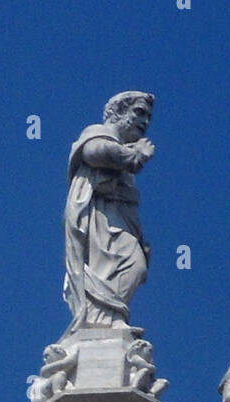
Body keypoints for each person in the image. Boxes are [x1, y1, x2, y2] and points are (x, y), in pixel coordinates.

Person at [63, 92, 155, 332]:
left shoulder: (119, 153)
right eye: (139, 112)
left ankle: (107, 319)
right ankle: (103, 319)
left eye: (148, 117)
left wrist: (141, 238)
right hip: (100, 218)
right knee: (133, 266)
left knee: (135, 265)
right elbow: (93, 151)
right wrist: (133, 156)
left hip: (117, 220)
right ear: (119, 112)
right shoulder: (98, 132)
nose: (144, 122)